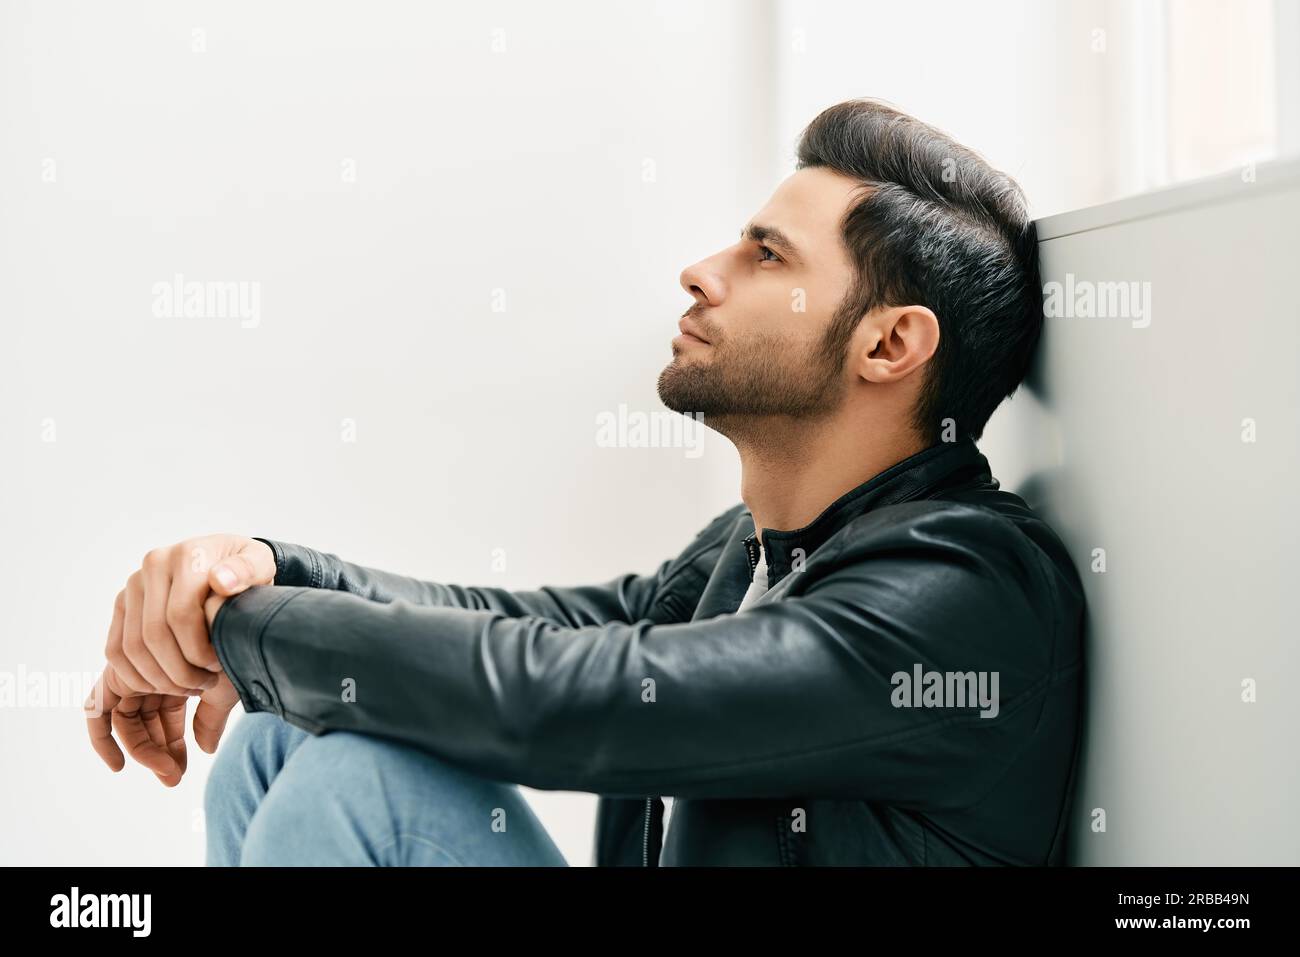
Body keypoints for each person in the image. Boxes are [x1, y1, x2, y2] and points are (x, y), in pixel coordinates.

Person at [85, 97, 1085, 866]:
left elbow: (571, 700)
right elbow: (526, 627)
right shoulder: (750, 550)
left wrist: (236, 633)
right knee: (273, 738)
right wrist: (255, 574)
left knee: (356, 781)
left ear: (888, 343)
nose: (701, 269)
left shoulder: (961, 590)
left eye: (765, 254)